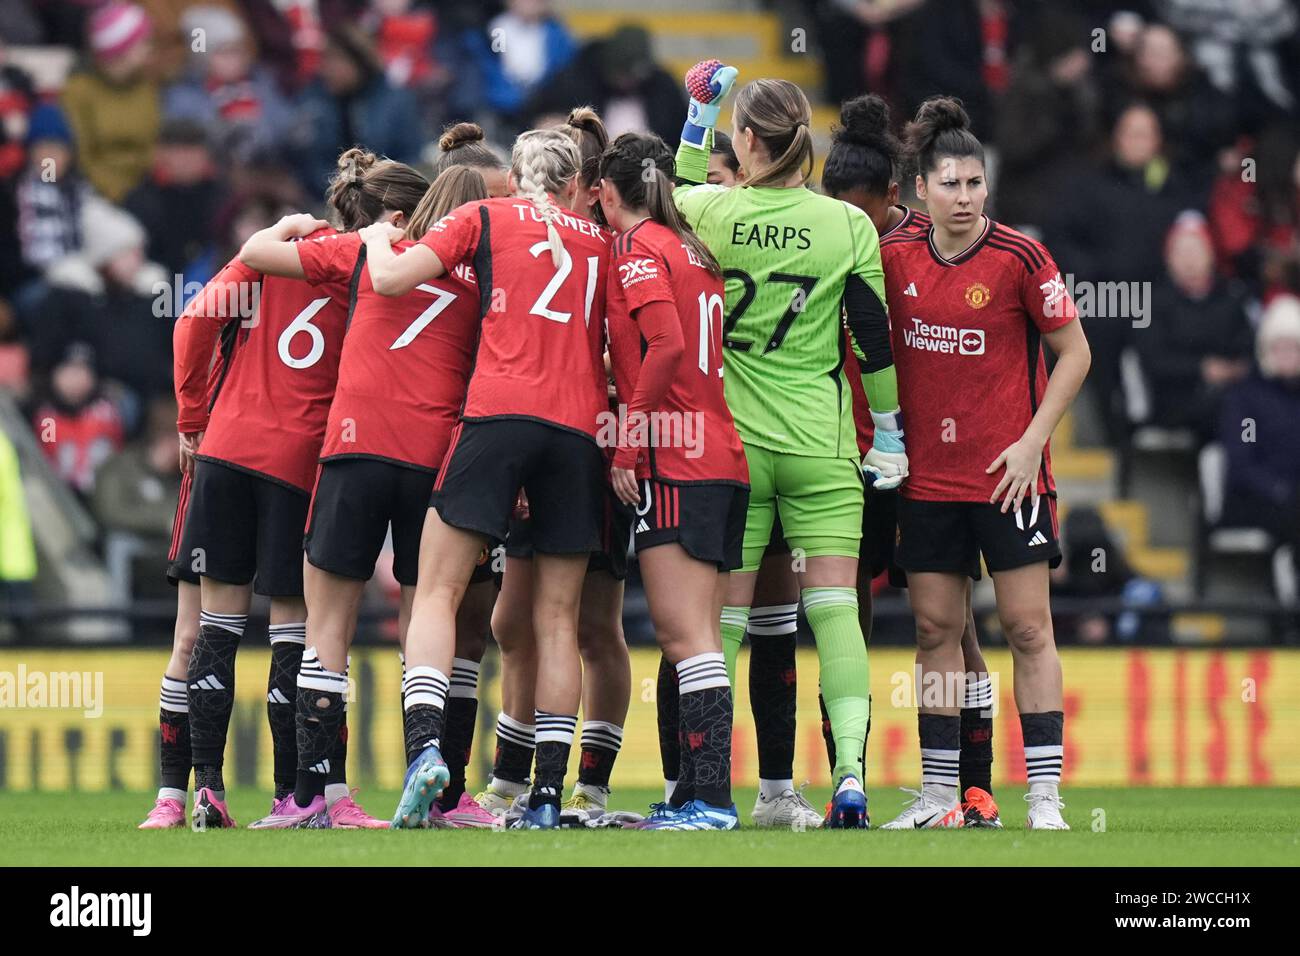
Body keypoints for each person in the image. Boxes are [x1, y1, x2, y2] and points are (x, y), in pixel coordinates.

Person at [670, 61, 905, 828]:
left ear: (747, 141)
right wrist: (893, 434)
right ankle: (849, 782)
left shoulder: (713, 210)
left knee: (722, 624)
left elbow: (667, 198)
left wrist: (696, 112)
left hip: (734, 449)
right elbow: (872, 339)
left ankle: (704, 791)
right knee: (836, 612)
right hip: (820, 443)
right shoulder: (849, 224)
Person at [173, 148, 427, 830]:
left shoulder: (281, 248)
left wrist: (193, 419)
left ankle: (206, 791)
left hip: (226, 450)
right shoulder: (382, 268)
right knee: (302, 638)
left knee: (215, 632)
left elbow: (194, 321)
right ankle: (300, 795)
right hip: (300, 462)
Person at [364, 128, 610, 830]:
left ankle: (425, 756)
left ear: (516, 179)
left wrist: (379, 240)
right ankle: (548, 796)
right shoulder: (596, 239)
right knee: (557, 620)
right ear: (571, 184)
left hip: (499, 414)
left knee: (437, 591)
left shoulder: (484, 217)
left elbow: (391, 279)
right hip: (577, 431)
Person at [239, 164, 496, 829]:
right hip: (434, 456)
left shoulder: (370, 249)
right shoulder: (488, 277)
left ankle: (309, 800)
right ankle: (440, 789)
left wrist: (305, 225)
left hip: (355, 447)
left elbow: (255, 254)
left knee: (327, 629)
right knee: (427, 621)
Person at [878, 97, 1090, 831]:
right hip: (928, 480)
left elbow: (1076, 351)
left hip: (1010, 479)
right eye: (951, 184)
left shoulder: (1021, 258)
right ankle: (940, 798)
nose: (966, 197)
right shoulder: (894, 255)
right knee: (935, 632)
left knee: (1029, 630)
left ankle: (1044, 797)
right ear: (920, 191)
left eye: (975, 184)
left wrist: (1033, 441)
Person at [479, 107, 632, 826]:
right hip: (543, 438)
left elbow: (626, 350)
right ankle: (513, 777)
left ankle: (587, 785)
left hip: (590, 446)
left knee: (592, 627)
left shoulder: (607, 247)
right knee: (514, 622)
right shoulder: (551, 240)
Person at [600, 131, 747, 830]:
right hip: (722, 453)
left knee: (685, 636)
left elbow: (667, 344)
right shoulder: (691, 245)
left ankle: (711, 801)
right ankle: (694, 794)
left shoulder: (637, 249)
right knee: (700, 636)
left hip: (677, 456)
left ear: (605, 191)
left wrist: (627, 444)